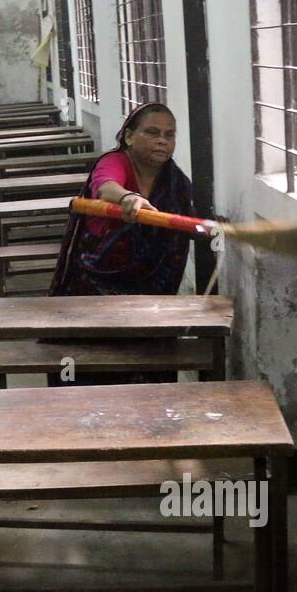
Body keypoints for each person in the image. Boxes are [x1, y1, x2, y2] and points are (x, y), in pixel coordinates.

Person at [48, 102, 195, 383]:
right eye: (152, 132)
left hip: (150, 296)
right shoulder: (115, 162)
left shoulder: (177, 183)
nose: (162, 140)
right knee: (95, 366)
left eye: (170, 134)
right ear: (128, 136)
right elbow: (105, 186)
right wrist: (128, 198)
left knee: (149, 364)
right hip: (95, 289)